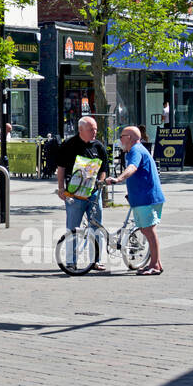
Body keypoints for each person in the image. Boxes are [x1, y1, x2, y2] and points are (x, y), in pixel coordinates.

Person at [106, 125, 165, 275]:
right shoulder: (138, 150)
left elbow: (132, 167)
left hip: (147, 198)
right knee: (147, 230)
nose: (120, 140)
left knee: (149, 231)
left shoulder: (135, 151)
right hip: (145, 197)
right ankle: (156, 262)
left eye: (121, 137)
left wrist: (118, 178)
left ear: (129, 138)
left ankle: (154, 266)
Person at [57, 116, 110, 272]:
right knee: (73, 227)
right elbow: (60, 168)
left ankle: (96, 260)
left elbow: (104, 169)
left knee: (96, 227)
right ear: (80, 130)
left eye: (95, 129)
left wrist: (101, 183)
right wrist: (61, 188)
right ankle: (71, 262)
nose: (94, 132)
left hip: (93, 194)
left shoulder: (98, 146)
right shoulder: (69, 145)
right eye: (90, 129)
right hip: (74, 194)